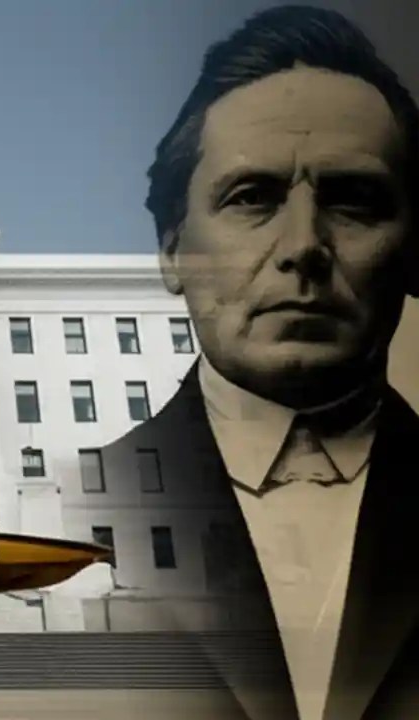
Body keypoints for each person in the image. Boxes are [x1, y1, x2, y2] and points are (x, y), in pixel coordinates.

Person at [99, 5, 419, 719]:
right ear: (172, 252)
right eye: (252, 197)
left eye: (355, 200)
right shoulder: (81, 516)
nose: (303, 245)